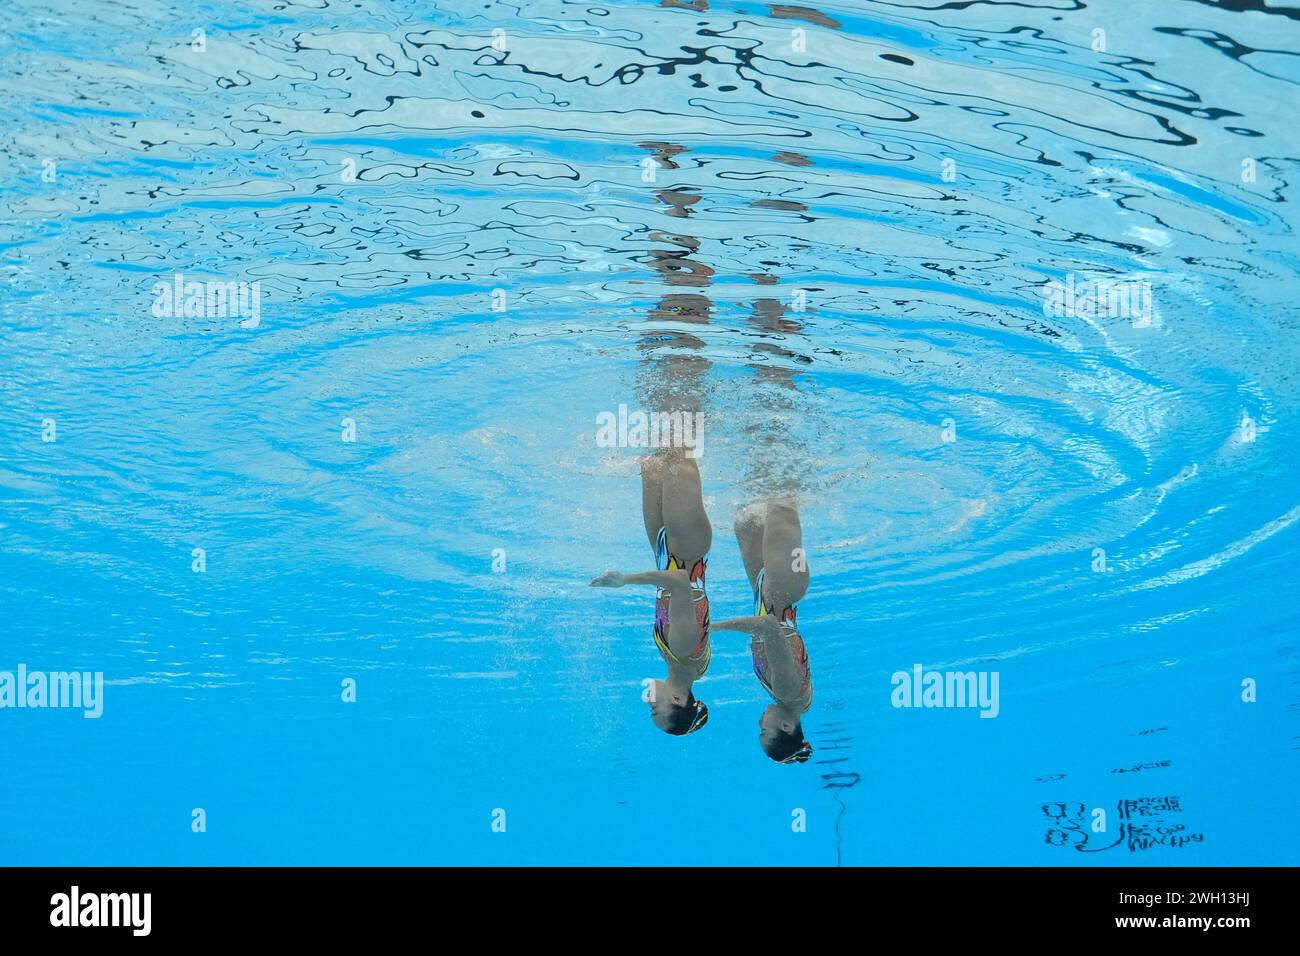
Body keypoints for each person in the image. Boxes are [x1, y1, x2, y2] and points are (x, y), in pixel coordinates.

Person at [591, 448, 713, 736]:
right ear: (677, 699)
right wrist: (625, 580)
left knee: (653, 461)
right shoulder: (684, 652)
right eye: (655, 708)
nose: (649, 701)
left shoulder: (682, 663)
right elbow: (681, 581)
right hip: (686, 548)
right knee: (677, 448)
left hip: (666, 552)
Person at [712, 499, 814, 763]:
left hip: (770, 592)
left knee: (747, 512)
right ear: (786, 727)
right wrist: (712, 627)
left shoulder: (796, 700)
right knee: (781, 496)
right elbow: (769, 627)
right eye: (763, 730)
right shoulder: (788, 692)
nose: (760, 721)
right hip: (784, 586)